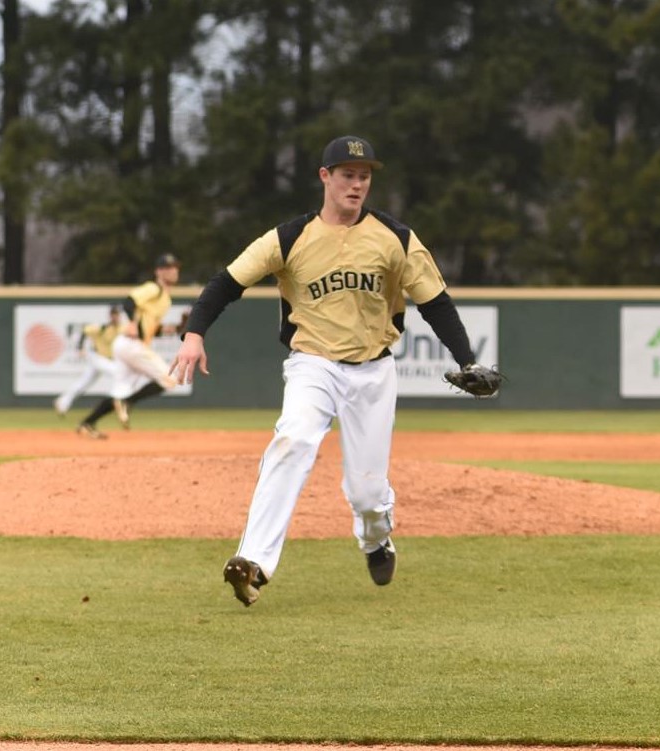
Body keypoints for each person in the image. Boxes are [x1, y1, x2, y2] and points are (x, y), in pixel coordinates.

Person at [169, 135, 488, 607]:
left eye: (364, 177)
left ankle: (376, 538)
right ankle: (253, 563)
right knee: (292, 439)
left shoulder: (395, 238)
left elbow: (435, 302)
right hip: (312, 364)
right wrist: (194, 333)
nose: (357, 185)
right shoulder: (291, 237)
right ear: (325, 177)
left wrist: (467, 359)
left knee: (366, 492)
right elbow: (227, 282)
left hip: (373, 371)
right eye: (347, 175)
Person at [74, 252, 183, 439]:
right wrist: (131, 322)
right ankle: (127, 402)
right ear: (158, 271)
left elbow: (151, 329)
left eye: (175, 268)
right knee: (171, 379)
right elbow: (129, 302)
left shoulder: (166, 299)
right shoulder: (153, 288)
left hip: (126, 346)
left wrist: (176, 327)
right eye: (167, 268)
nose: (173, 271)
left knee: (119, 392)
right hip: (131, 345)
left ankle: (87, 423)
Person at [52, 308, 122, 419]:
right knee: (118, 372)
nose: (115, 317)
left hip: (106, 360)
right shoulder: (102, 327)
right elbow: (84, 330)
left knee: (83, 383)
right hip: (97, 358)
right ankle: (121, 402)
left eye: (117, 315)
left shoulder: (122, 328)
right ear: (110, 316)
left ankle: (62, 402)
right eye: (113, 315)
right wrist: (80, 347)